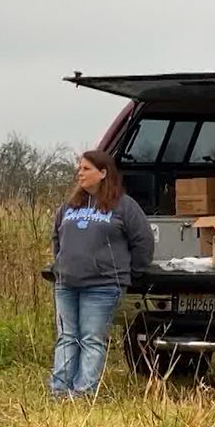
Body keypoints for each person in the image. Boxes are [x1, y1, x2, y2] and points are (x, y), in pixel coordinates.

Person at [49, 150, 153, 398]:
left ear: (103, 173)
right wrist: (60, 264)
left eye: (86, 169)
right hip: (66, 283)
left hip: (102, 285)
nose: (79, 173)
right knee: (66, 337)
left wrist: (129, 272)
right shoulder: (70, 206)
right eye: (79, 168)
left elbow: (143, 241)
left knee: (91, 338)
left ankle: (84, 392)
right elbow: (57, 237)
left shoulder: (124, 206)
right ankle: (59, 391)